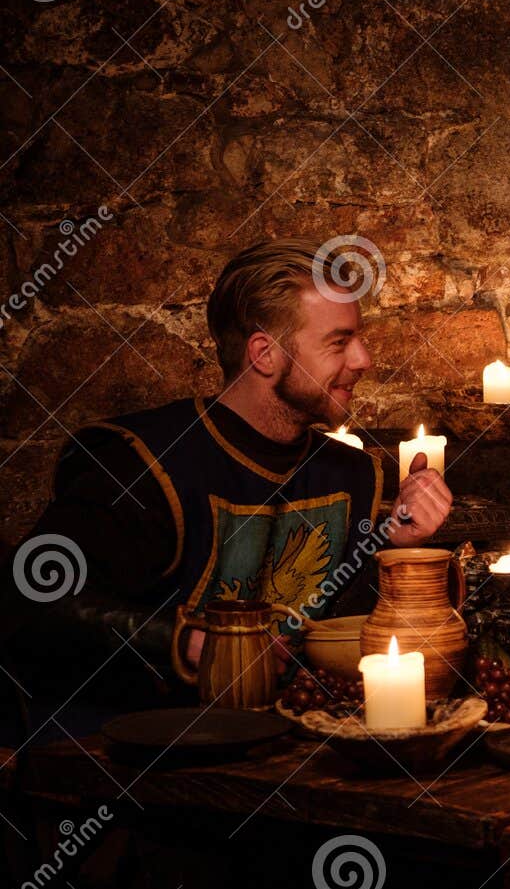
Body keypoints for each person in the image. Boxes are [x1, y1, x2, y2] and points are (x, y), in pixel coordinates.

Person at [1, 238, 454, 726]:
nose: (363, 359)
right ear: (265, 354)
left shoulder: (351, 473)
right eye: (339, 342)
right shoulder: (142, 462)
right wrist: (188, 642)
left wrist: (396, 543)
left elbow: (330, 625)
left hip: (287, 754)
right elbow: (26, 595)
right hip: (139, 758)